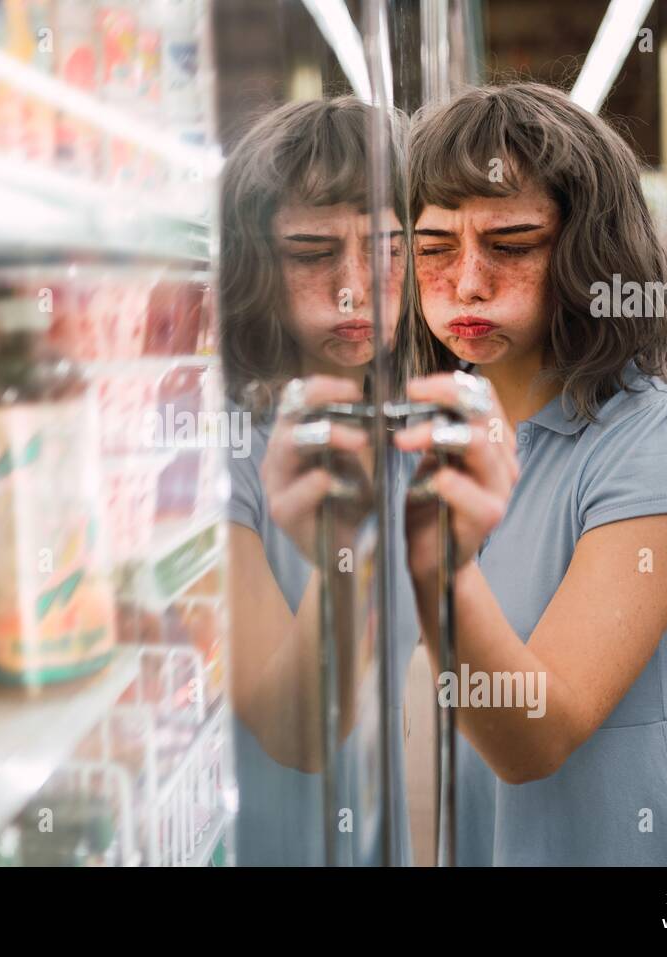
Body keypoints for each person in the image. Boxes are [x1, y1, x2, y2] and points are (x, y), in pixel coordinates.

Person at [383, 81, 667, 865]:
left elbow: (536, 735)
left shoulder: (660, 436)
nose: (467, 282)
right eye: (433, 248)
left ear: (592, 251)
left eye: (512, 244)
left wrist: (435, 566)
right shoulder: (439, 433)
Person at [220, 96, 419, 866]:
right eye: (310, 252)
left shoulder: (410, 433)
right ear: (254, 265)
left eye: (390, 249)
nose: (353, 287)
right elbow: (296, 734)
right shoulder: (221, 446)